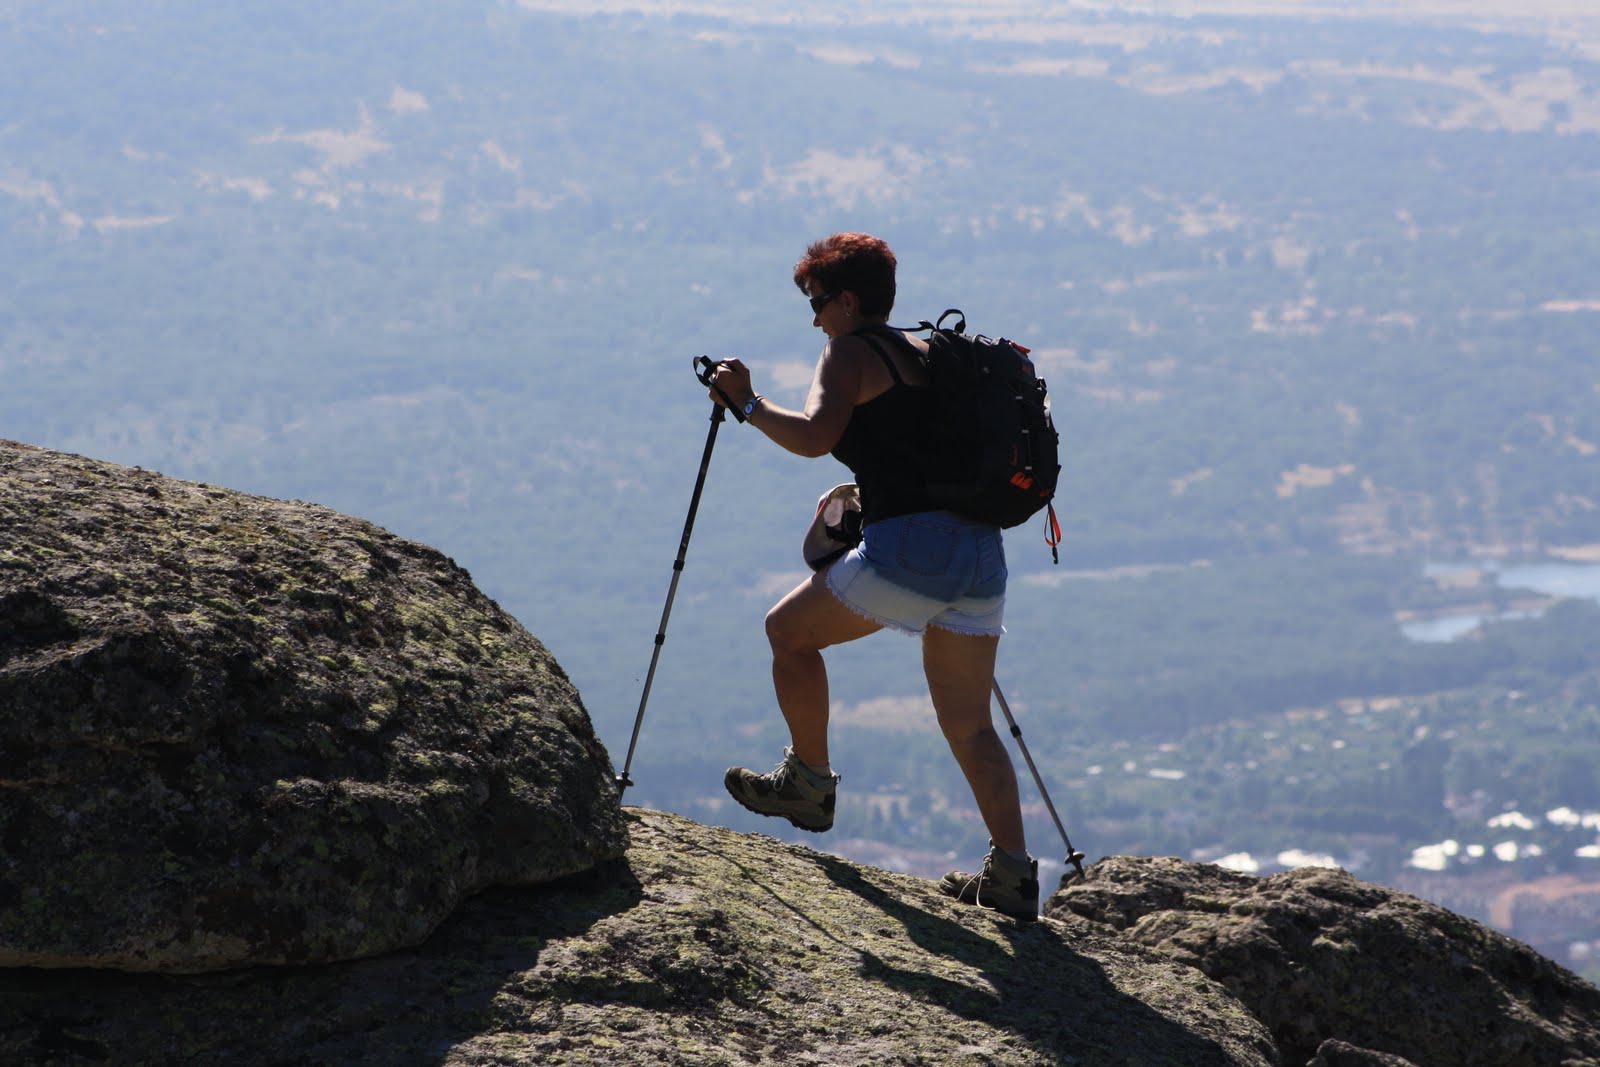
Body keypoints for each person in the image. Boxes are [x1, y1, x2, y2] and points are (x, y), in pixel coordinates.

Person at [706, 232, 1039, 921]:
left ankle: (808, 781)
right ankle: (1012, 874)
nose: (814, 317)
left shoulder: (851, 351)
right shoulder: (930, 353)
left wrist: (746, 401)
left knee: (787, 632)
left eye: (819, 301)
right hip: (981, 554)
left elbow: (812, 435)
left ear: (848, 300)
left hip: (912, 549)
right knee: (973, 726)